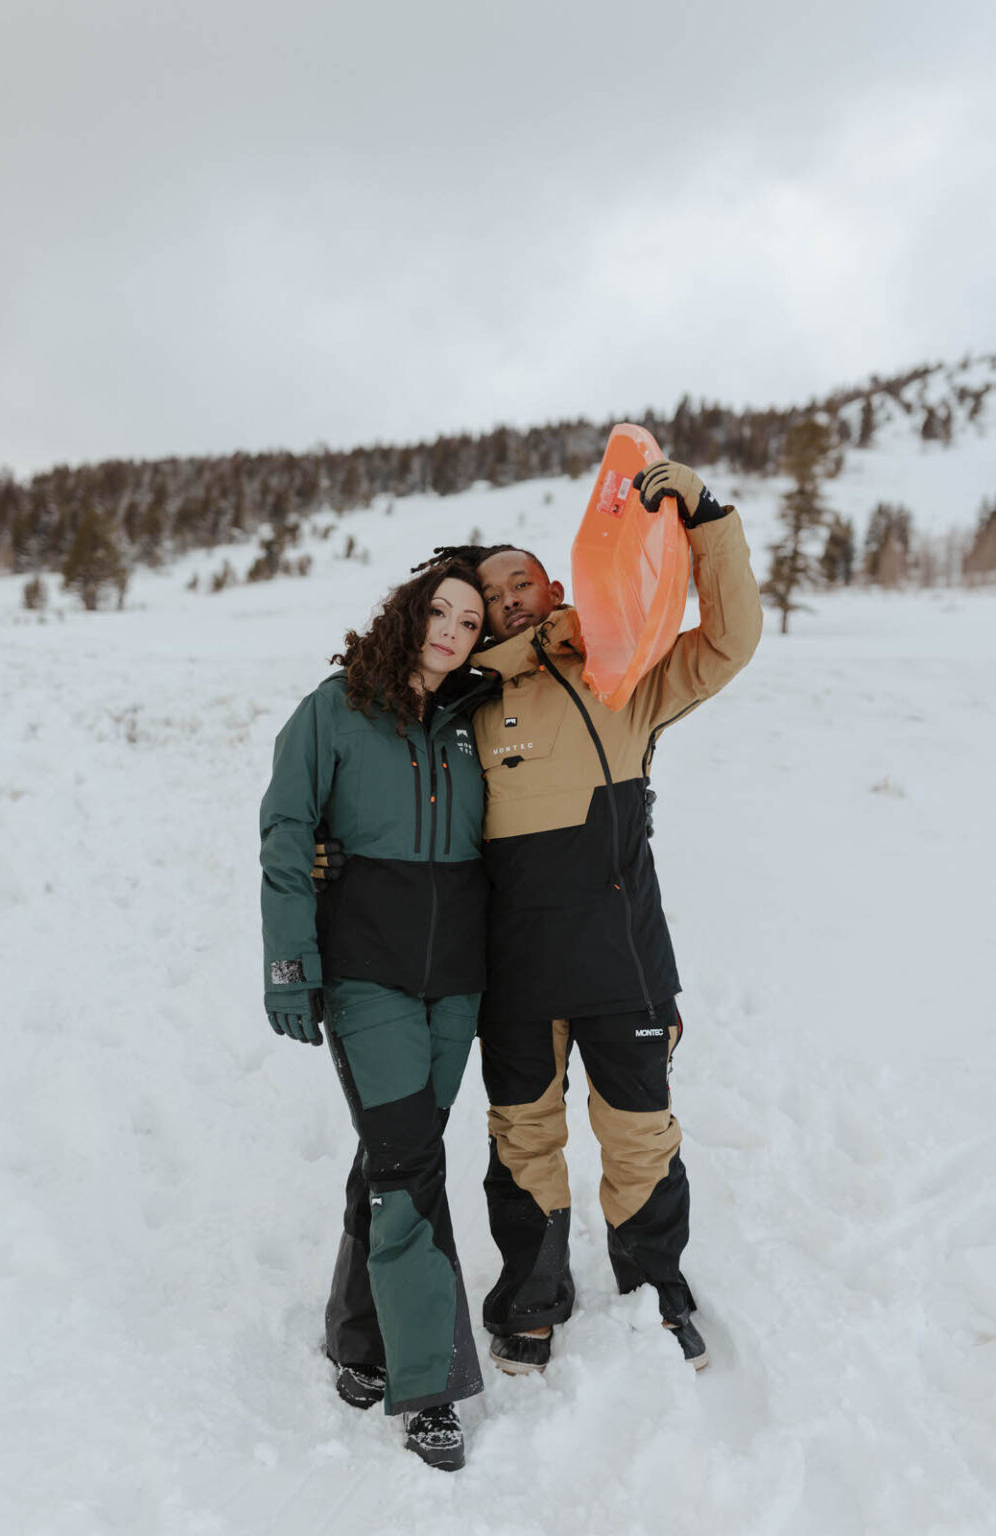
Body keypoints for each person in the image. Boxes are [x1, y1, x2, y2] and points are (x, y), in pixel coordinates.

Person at [464, 459, 762, 1375]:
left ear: (553, 584)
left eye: (523, 580)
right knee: (524, 1135)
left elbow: (728, 643)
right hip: (511, 966)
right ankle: (533, 1298)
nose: (511, 598)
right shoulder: (460, 704)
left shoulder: (616, 669)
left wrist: (707, 522)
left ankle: (655, 1289)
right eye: (491, 592)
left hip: (621, 956)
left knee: (639, 1135)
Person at [258, 560, 492, 1471]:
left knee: (397, 1159)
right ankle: (427, 1384)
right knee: (411, 1167)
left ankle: (356, 1336)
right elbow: (286, 830)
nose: (451, 630)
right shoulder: (336, 708)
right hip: (367, 978)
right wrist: (290, 963)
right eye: (438, 610)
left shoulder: (481, 720)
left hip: (459, 981)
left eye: (470, 621)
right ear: (408, 612)